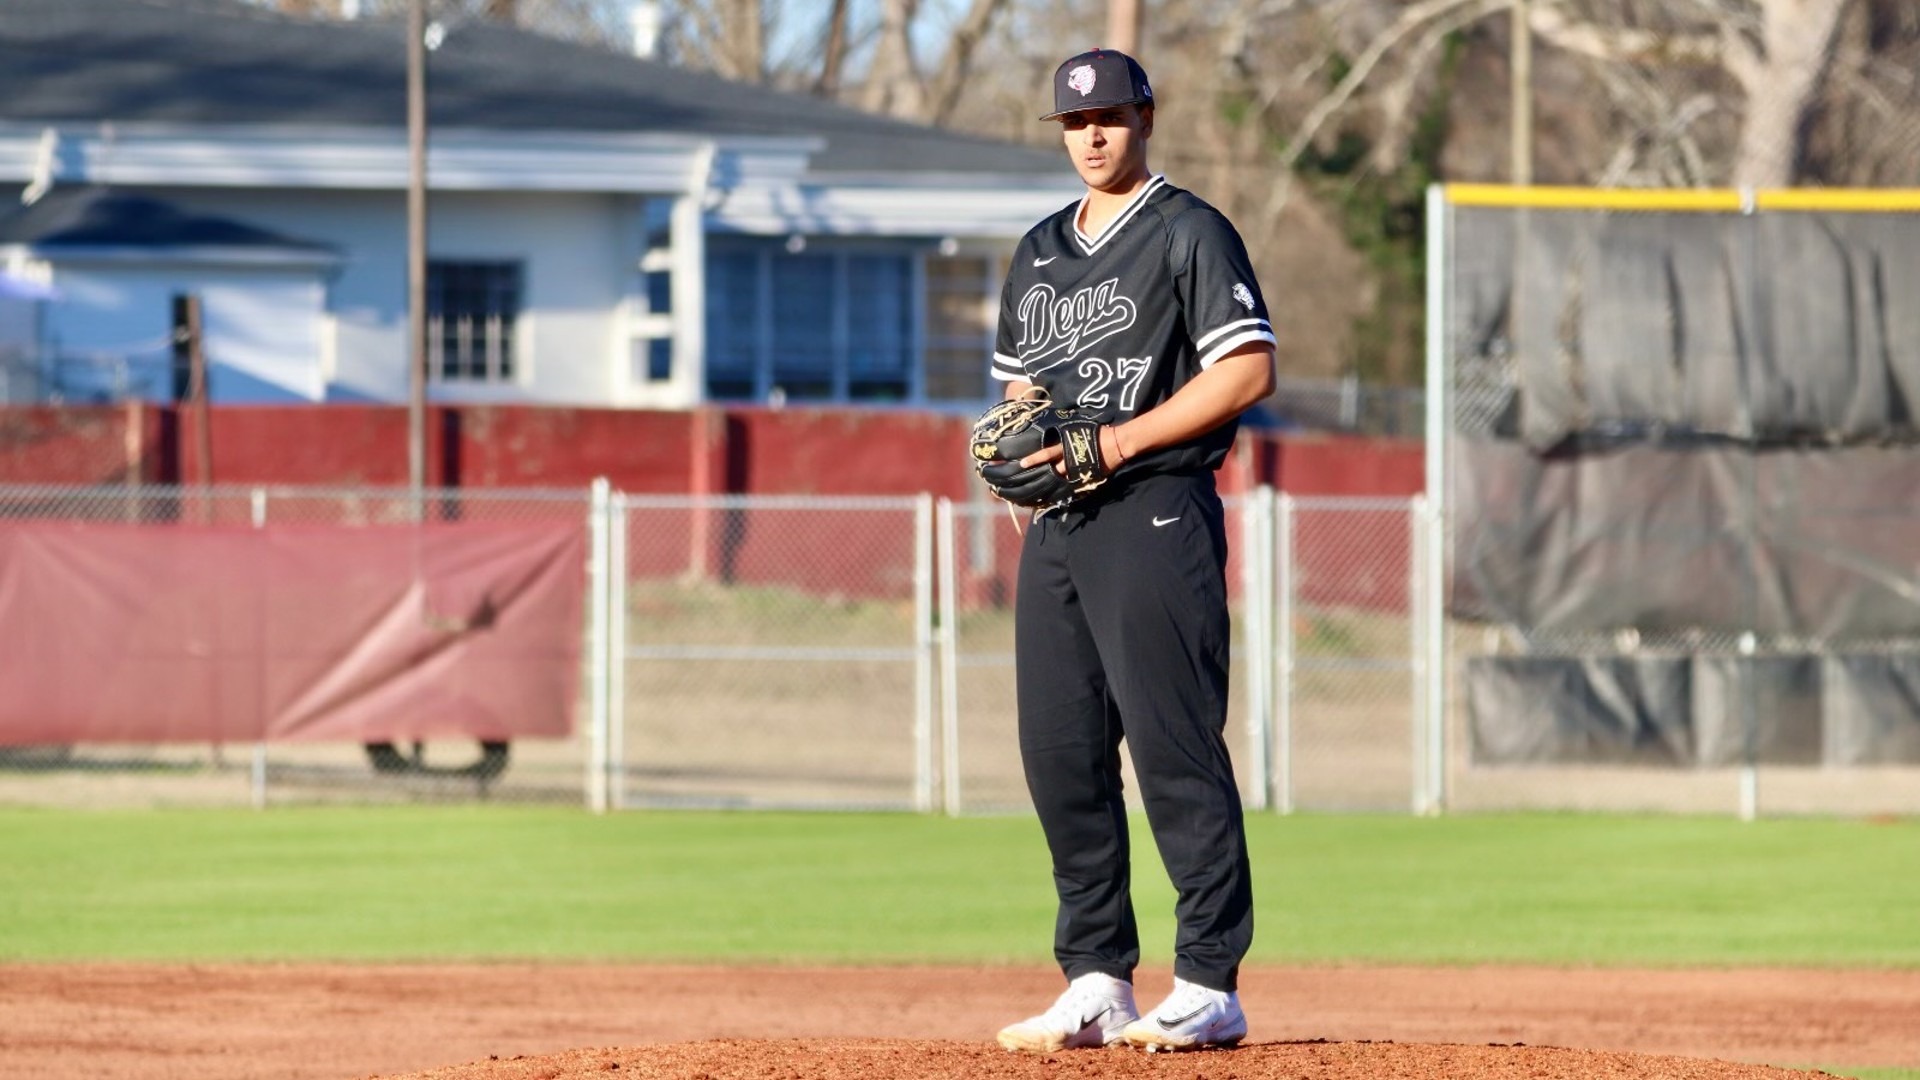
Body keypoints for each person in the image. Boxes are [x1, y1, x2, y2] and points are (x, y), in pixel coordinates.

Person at [981, 48, 1276, 1055]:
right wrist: (1017, 449)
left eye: (1110, 115)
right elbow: (1024, 395)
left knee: (1173, 746)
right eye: (1075, 122)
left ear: (1146, 116)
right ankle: (1097, 976)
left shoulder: (1188, 230)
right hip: (1062, 528)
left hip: (1155, 510)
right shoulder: (1036, 251)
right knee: (1059, 753)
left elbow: (1245, 371)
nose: (1093, 135)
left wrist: (1113, 440)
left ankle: (1208, 981)